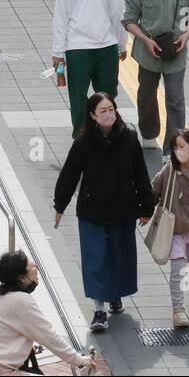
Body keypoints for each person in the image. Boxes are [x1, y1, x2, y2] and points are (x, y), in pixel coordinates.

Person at [53, 92, 156, 334]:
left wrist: (146, 206)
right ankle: (99, 309)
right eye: (103, 111)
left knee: (119, 255)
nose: (109, 114)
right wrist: (60, 205)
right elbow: (69, 175)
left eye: (111, 109)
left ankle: (115, 295)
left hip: (123, 210)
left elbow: (140, 173)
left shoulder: (130, 138)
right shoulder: (83, 142)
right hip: (92, 212)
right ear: (92, 115)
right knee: (95, 258)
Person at [123, 0, 189, 152]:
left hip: (176, 53)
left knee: (175, 100)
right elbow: (129, 20)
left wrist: (187, 36)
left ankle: (173, 147)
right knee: (146, 95)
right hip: (148, 53)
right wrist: (146, 40)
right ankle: (149, 133)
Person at [0, 251, 96, 375]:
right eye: (31, 265)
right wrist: (78, 360)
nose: (36, 265)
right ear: (21, 278)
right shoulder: (21, 301)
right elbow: (49, 336)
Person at [51, 0, 127, 138]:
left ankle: (108, 134)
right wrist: (58, 53)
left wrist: (121, 43)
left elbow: (117, 11)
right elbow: (60, 18)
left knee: (108, 96)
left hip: (106, 47)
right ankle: (82, 137)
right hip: (78, 49)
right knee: (77, 97)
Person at [145, 128, 189, 330]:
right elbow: (156, 187)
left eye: (182, 146)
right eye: (176, 147)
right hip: (174, 231)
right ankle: (178, 310)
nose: (178, 151)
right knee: (176, 270)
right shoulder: (170, 170)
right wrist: (144, 207)